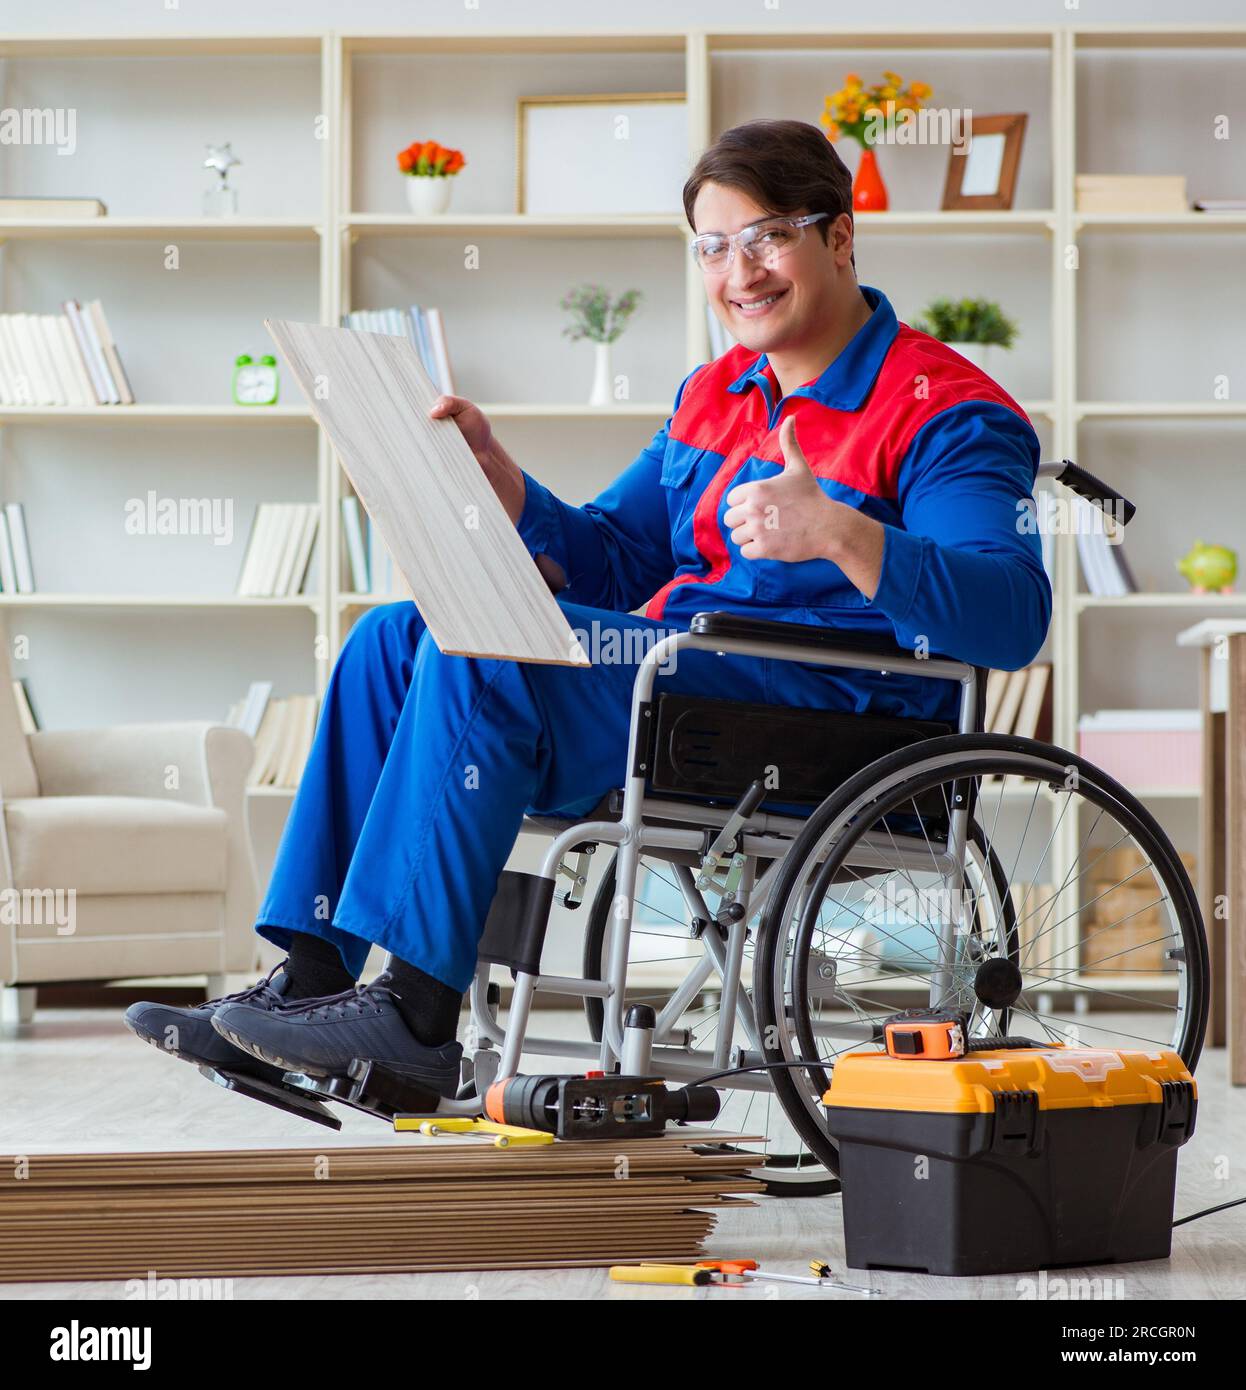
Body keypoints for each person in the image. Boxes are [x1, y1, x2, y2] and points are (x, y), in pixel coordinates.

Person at [125, 118, 1050, 1097]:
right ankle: (308, 985)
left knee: (487, 648)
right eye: (713, 246)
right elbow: (614, 555)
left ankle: (413, 1016)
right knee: (390, 636)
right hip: (680, 684)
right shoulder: (716, 394)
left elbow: (1008, 614)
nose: (740, 271)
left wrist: (842, 532)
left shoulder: (941, 408)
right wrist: (504, 485)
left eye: (767, 235)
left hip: (821, 724)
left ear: (839, 237)